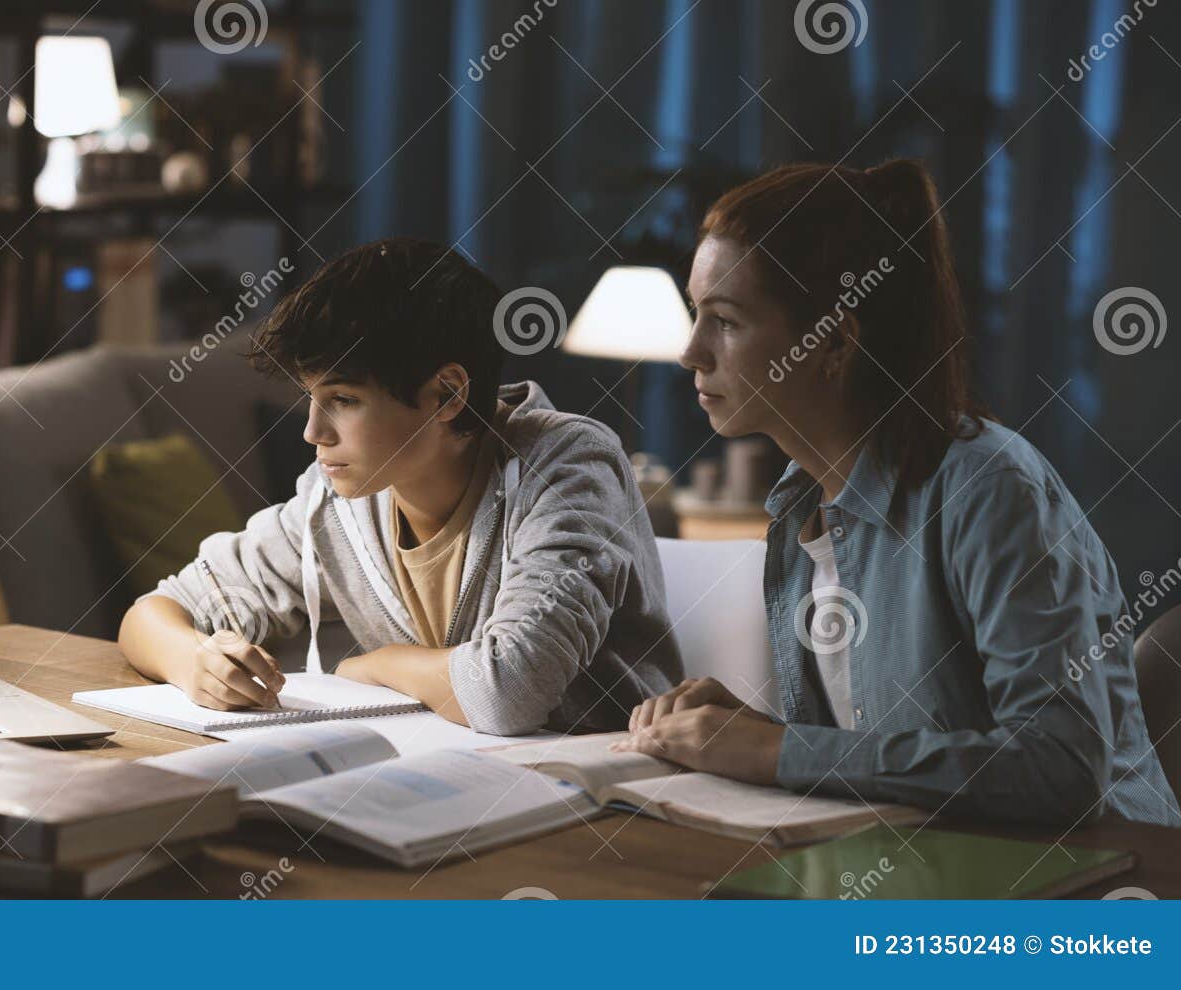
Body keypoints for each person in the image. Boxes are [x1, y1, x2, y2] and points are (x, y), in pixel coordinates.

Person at [613, 159, 1181, 826]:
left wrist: (778, 750)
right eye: (695, 315)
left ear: (833, 343)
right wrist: (750, 734)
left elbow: (1059, 771)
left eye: (727, 321)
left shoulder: (992, 490)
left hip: (1090, 883)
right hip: (923, 870)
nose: (691, 352)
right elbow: (877, 758)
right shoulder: (798, 506)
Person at [118, 237, 682, 735]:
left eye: (343, 400)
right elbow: (152, 613)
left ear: (446, 395)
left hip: (603, 798)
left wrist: (377, 664)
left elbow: (509, 691)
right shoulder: (336, 502)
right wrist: (195, 662)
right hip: (448, 782)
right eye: (310, 397)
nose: (313, 431)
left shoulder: (567, 466)